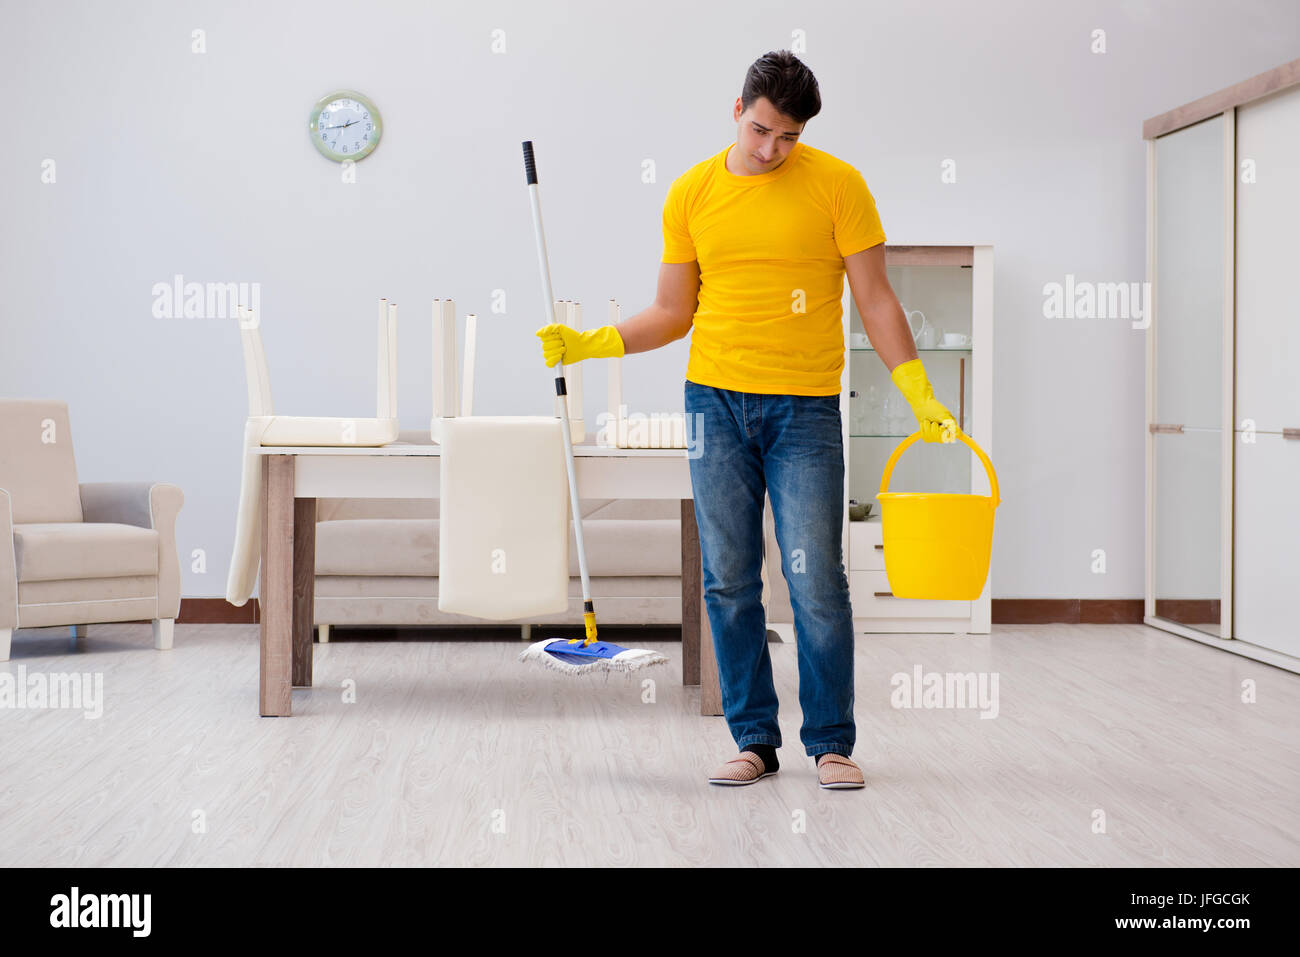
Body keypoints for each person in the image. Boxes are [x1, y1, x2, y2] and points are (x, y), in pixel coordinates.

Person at [536, 50, 957, 791]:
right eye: (761, 130)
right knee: (729, 579)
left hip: (805, 409)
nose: (770, 151)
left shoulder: (838, 185)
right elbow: (673, 312)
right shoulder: (692, 193)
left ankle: (830, 741)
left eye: (787, 137)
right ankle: (754, 739)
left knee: (817, 580)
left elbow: (877, 299)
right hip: (715, 404)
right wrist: (595, 344)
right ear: (737, 109)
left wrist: (917, 388)